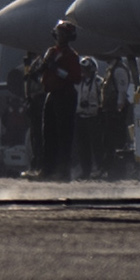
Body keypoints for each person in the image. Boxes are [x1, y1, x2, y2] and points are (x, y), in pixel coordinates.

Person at [36, 20, 83, 180]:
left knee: (64, 134)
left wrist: (56, 69)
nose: (59, 37)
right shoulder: (51, 52)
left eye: (63, 34)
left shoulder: (71, 55)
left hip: (65, 95)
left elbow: (75, 78)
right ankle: (47, 169)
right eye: (59, 33)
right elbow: (42, 69)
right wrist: (42, 68)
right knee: (48, 133)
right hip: (51, 94)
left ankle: (64, 172)